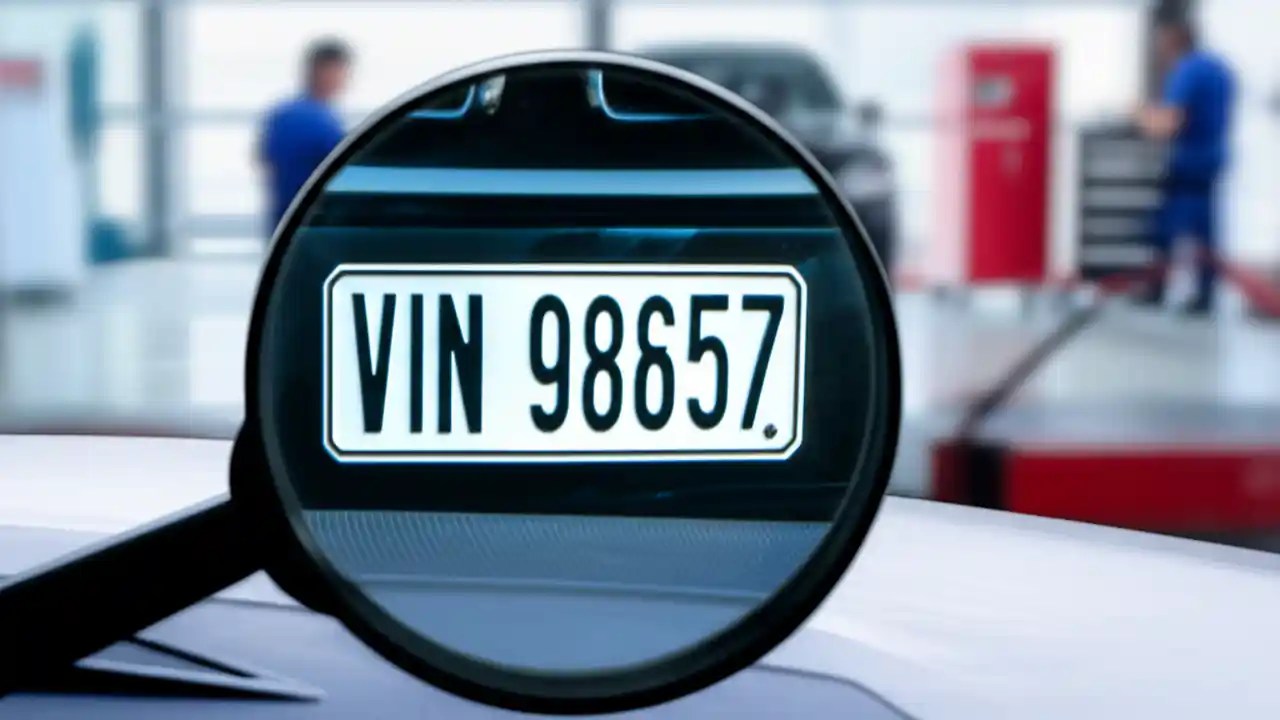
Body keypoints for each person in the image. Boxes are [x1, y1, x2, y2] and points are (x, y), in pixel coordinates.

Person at [1135, 14, 1235, 315]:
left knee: (1165, 226)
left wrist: (1138, 115)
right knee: (1205, 229)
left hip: (1189, 162)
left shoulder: (1187, 70)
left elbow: (1168, 124)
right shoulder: (1219, 68)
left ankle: (1156, 289)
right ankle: (1204, 295)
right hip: (1212, 158)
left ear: (1172, 38)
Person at [258, 38, 352, 235]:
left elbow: (263, 159)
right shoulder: (318, 120)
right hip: (312, 222)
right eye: (338, 71)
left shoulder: (282, 114)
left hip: (284, 220)